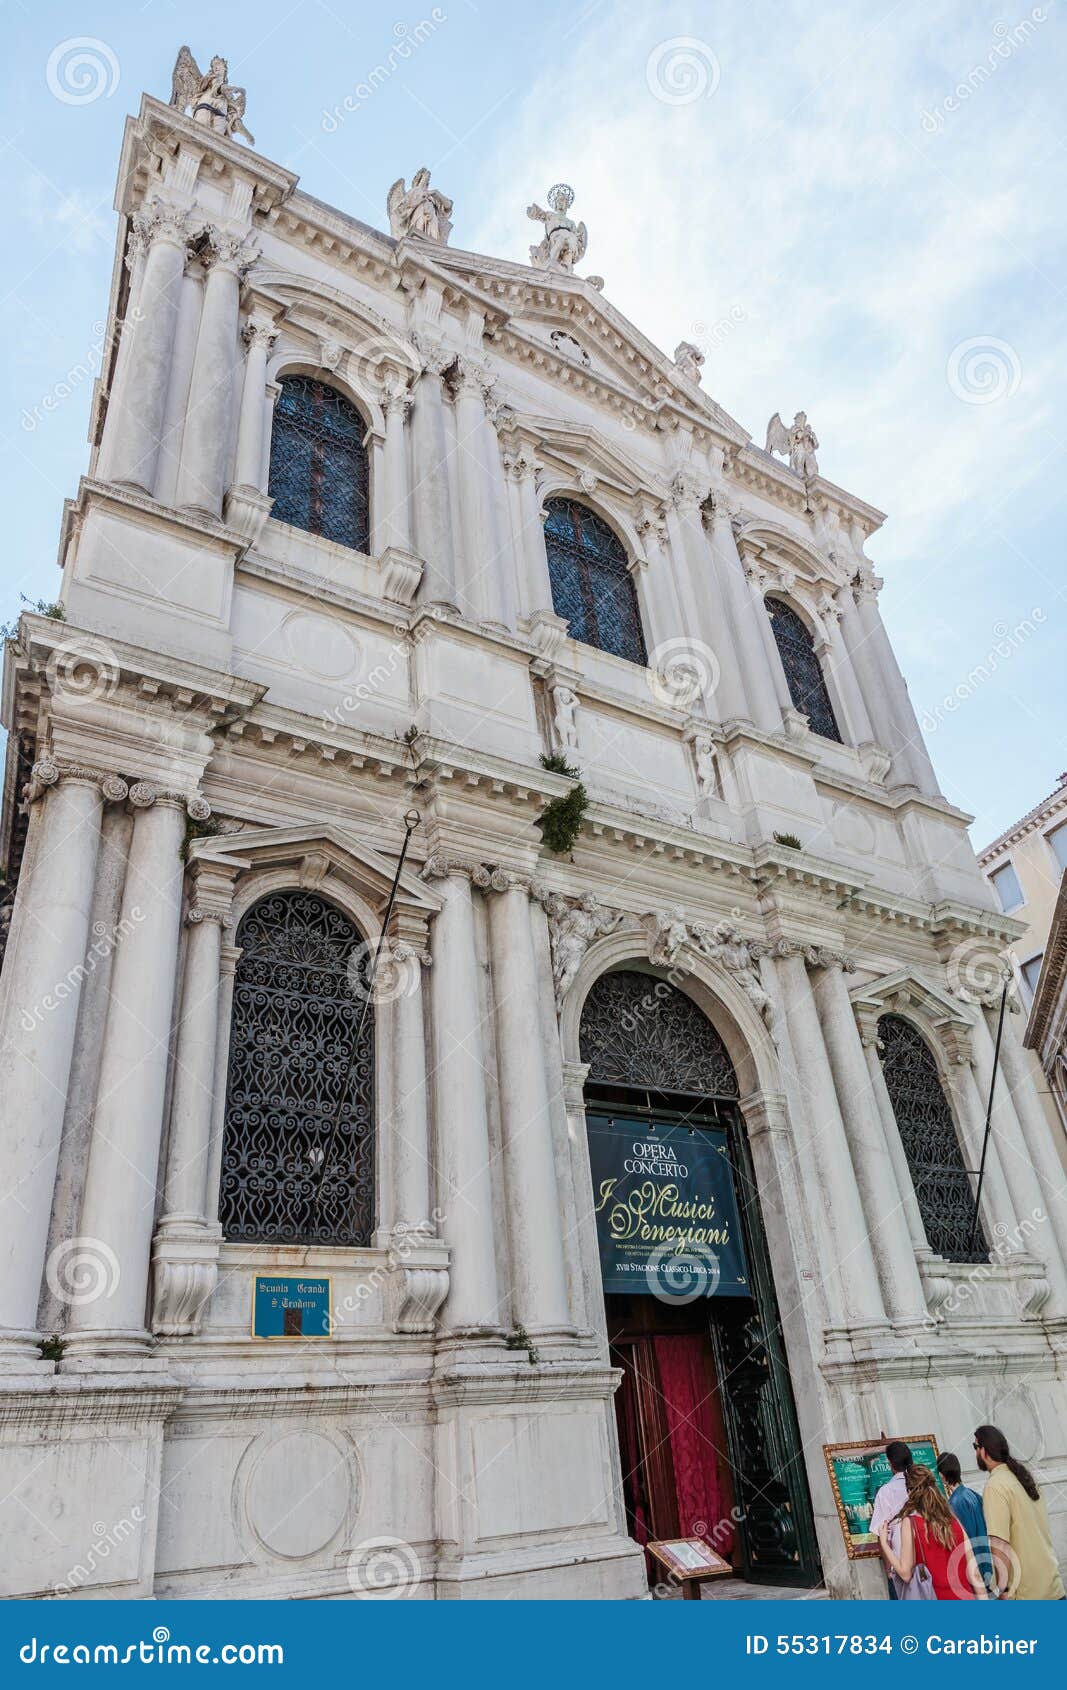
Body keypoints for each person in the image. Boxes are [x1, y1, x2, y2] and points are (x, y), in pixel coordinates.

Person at [974, 1425, 1066, 1600]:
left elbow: (999, 1544)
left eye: (975, 1447)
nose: (975, 1453)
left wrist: (1001, 1589)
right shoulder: (1024, 1478)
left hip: (1026, 1593)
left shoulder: (995, 1486)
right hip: (1052, 1585)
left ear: (984, 1451)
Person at [878, 1465, 988, 1600]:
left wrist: (884, 1544)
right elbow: (974, 1573)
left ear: (909, 1492)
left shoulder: (910, 1524)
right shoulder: (953, 1521)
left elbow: (905, 1574)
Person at [937, 1452, 994, 1593]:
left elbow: (961, 1543)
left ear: (941, 1475)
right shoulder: (972, 1494)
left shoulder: (954, 1505)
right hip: (987, 1562)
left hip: (975, 1568)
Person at [870, 1441, 912, 1596]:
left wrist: (888, 1569)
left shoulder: (886, 1492)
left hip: (899, 1562)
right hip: (925, 1560)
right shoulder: (922, 1487)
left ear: (890, 1463)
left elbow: (882, 1535)